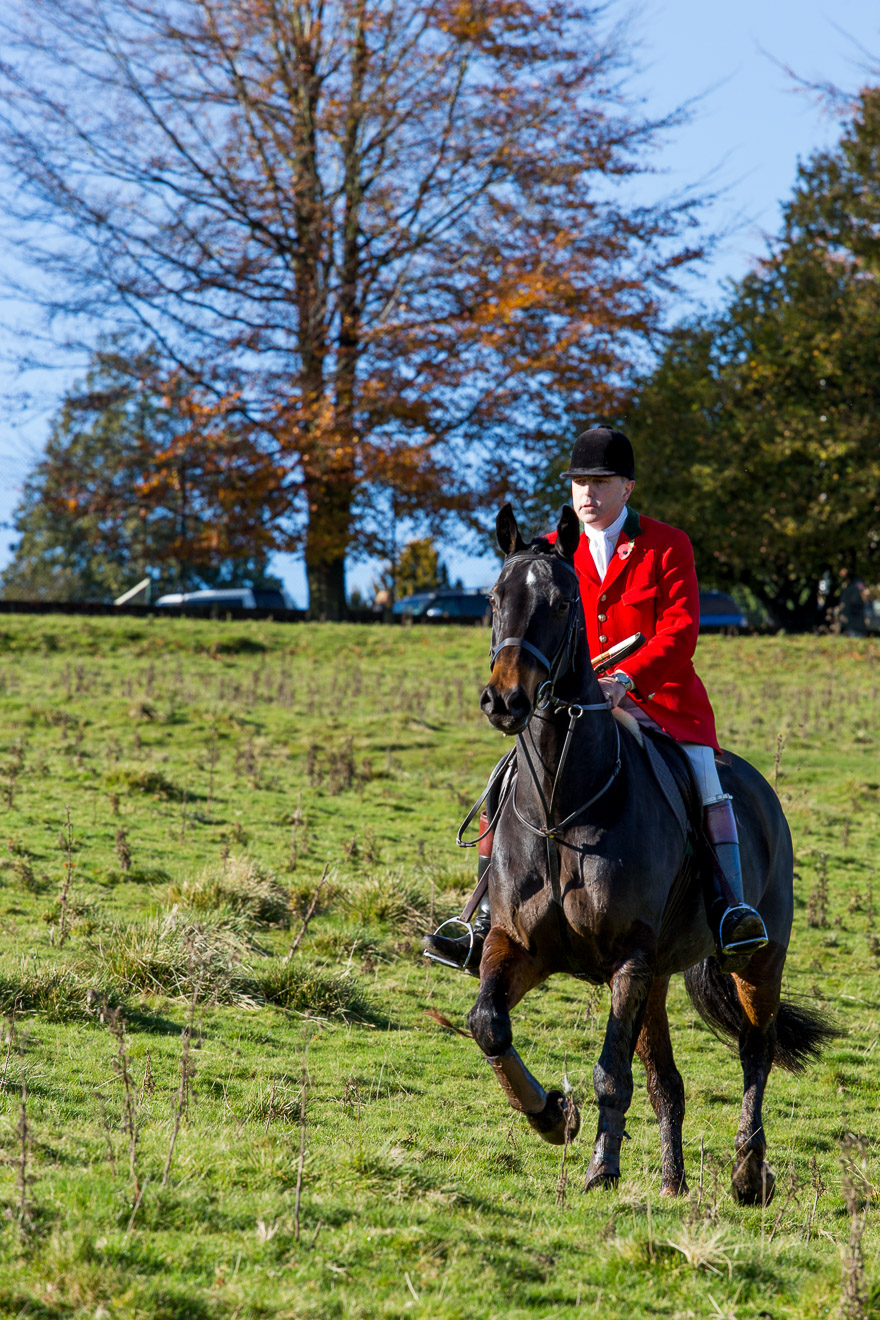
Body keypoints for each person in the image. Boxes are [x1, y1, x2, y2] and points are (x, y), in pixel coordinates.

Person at [423, 425, 768, 974]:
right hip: (576, 707)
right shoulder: (554, 550)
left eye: (600, 483)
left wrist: (626, 681)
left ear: (626, 488)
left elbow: (680, 632)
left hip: (661, 703)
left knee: (706, 786)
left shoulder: (666, 543)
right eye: (580, 482)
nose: (588, 493)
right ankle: (481, 916)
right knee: (503, 784)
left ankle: (731, 909)